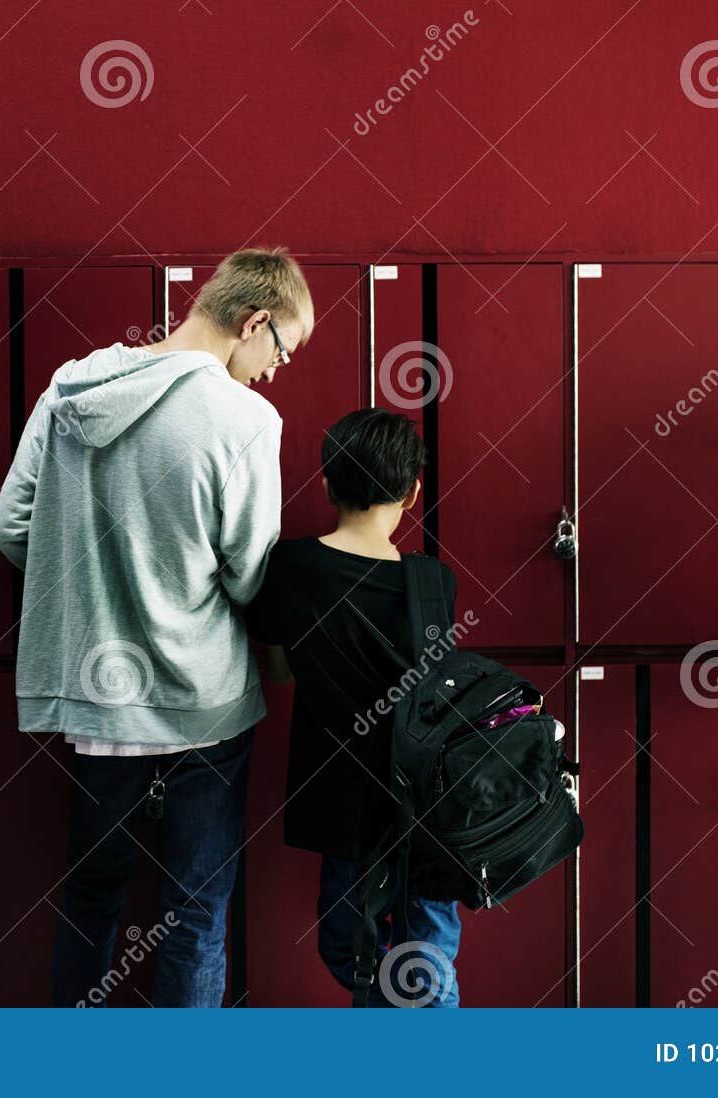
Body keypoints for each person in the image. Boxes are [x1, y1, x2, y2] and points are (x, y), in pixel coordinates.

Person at [0, 247, 311, 1007]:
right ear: (252, 322)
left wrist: (92, 585)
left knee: (93, 896)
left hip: (100, 704)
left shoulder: (74, 385)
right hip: (203, 703)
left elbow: (9, 525)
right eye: (282, 350)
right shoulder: (244, 420)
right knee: (194, 912)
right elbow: (251, 576)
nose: (275, 370)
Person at [247, 408, 462, 1007]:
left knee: (350, 950)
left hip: (343, 804)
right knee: (427, 955)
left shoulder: (289, 568)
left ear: (326, 484)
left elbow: (283, 672)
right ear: (413, 491)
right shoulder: (433, 583)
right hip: (424, 802)